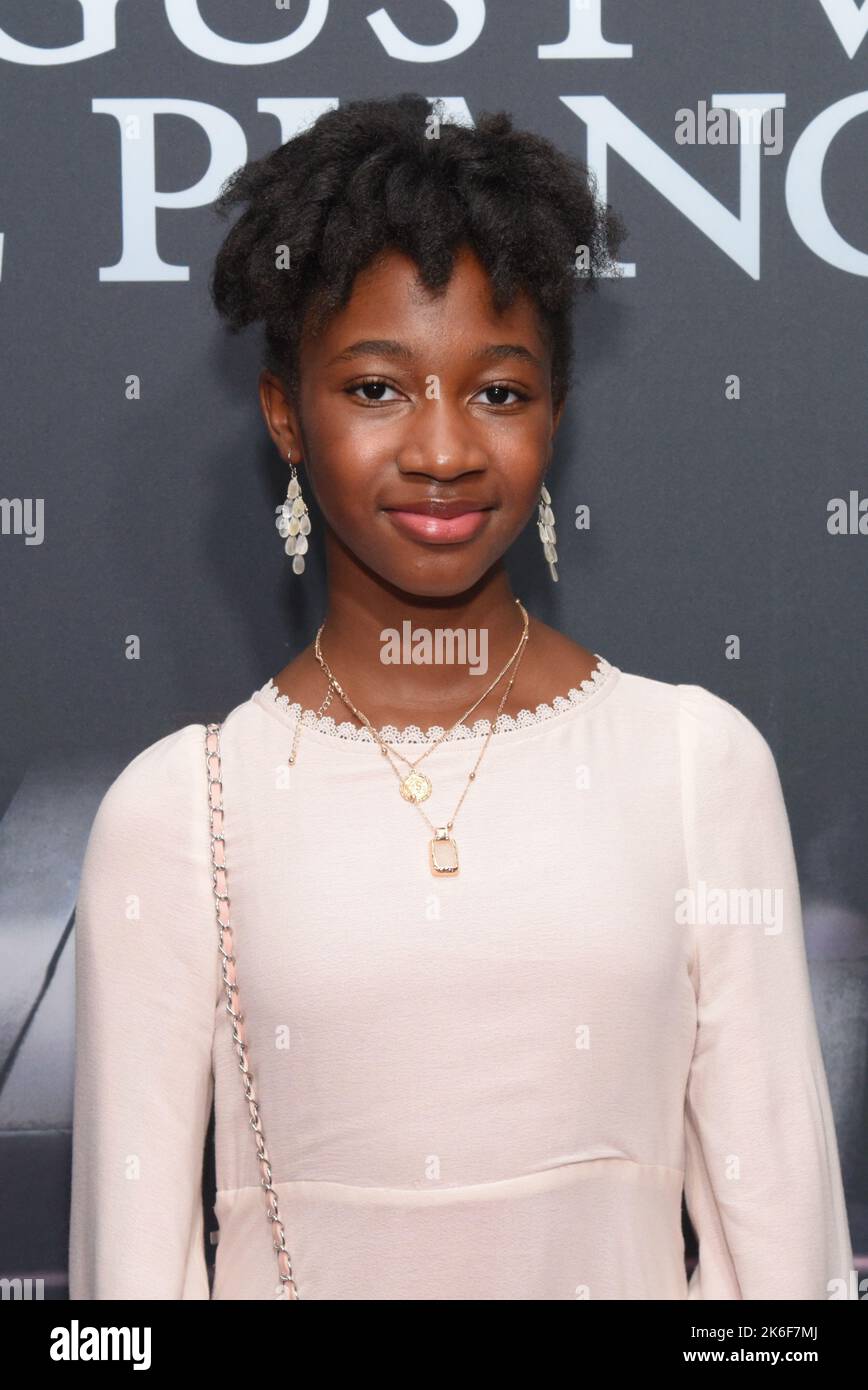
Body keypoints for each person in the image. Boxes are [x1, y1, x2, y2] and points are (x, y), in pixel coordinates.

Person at [68, 94, 853, 1301]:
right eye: (377, 389)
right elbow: (126, 1294)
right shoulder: (179, 812)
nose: (443, 450)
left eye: (497, 391)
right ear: (287, 412)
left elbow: (782, 1270)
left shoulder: (697, 766)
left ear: (554, 414)